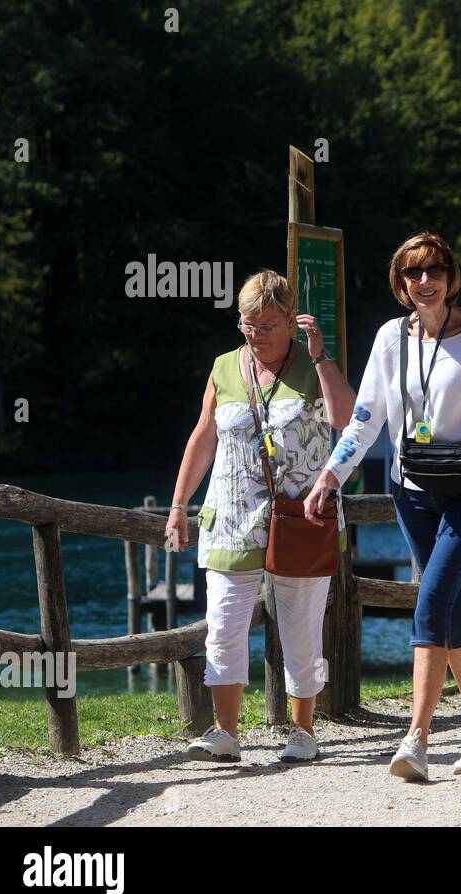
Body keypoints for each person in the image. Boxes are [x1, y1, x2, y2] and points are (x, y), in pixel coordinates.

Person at [305, 231, 461, 780]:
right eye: (413, 273)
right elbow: (366, 417)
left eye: (435, 271)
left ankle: (416, 738)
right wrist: (332, 474)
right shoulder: (388, 338)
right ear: (401, 284)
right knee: (450, 604)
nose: (425, 282)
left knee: (430, 597)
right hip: (413, 489)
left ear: (452, 277)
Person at [169, 269, 355, 764]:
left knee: (300, 625)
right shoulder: (224, 367)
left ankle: (301, 730)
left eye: (268, 324)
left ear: (292, 322)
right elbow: (203, 436)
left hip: (300, 515)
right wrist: (178, 504)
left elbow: (345, 418)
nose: (256, 334)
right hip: (231, 513)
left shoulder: (313, 365)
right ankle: (225, 732)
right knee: (224, 623)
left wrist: (321, 356)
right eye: (248, 324)